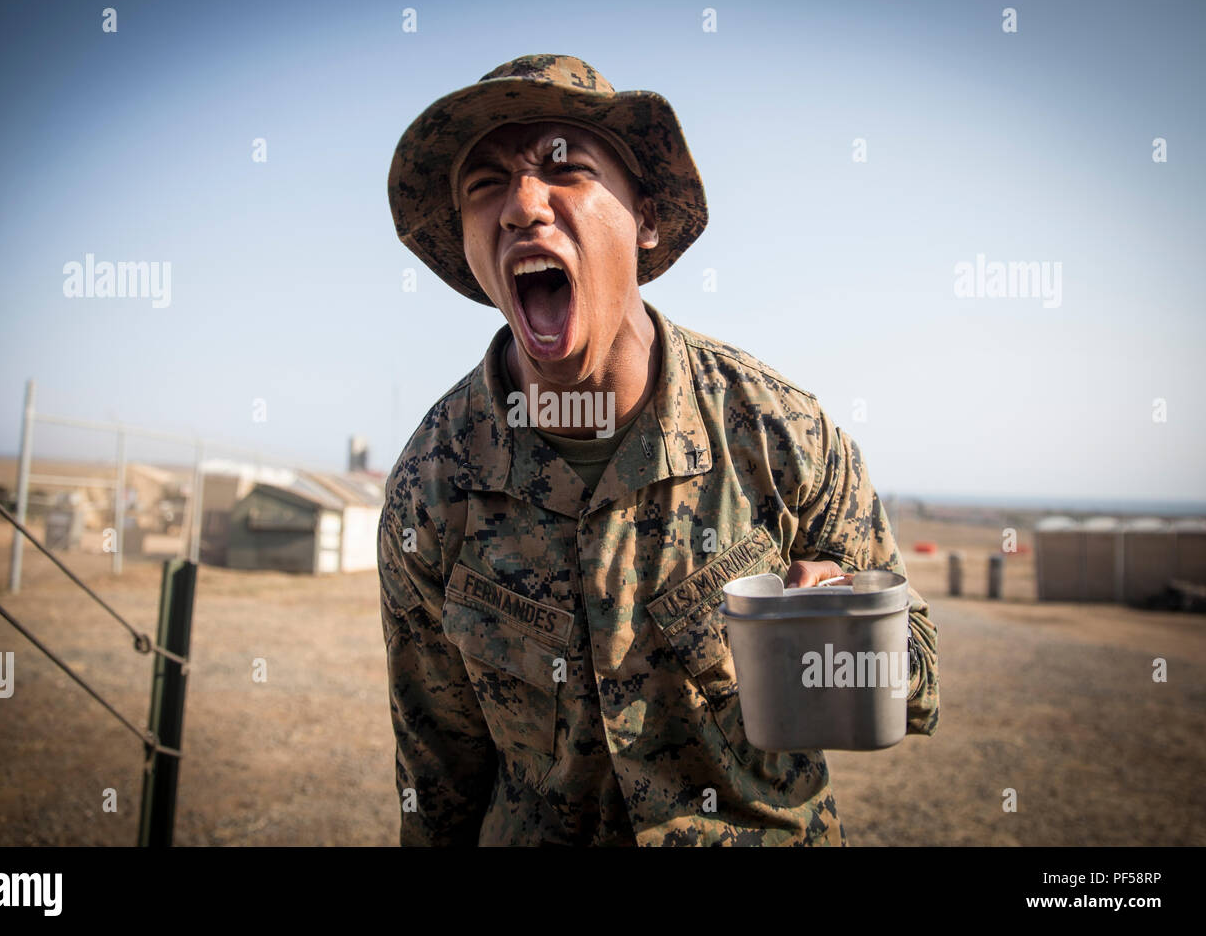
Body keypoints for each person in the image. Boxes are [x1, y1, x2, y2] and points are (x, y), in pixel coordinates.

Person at [381, 54, 938, 846]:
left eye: (564, 168)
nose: (522, 206)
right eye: (486, 185)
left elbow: (915, 685)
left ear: (644, 219)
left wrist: (845, 630)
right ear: (469, 245)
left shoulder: (779, 434)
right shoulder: (430, 490)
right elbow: (436, 780)